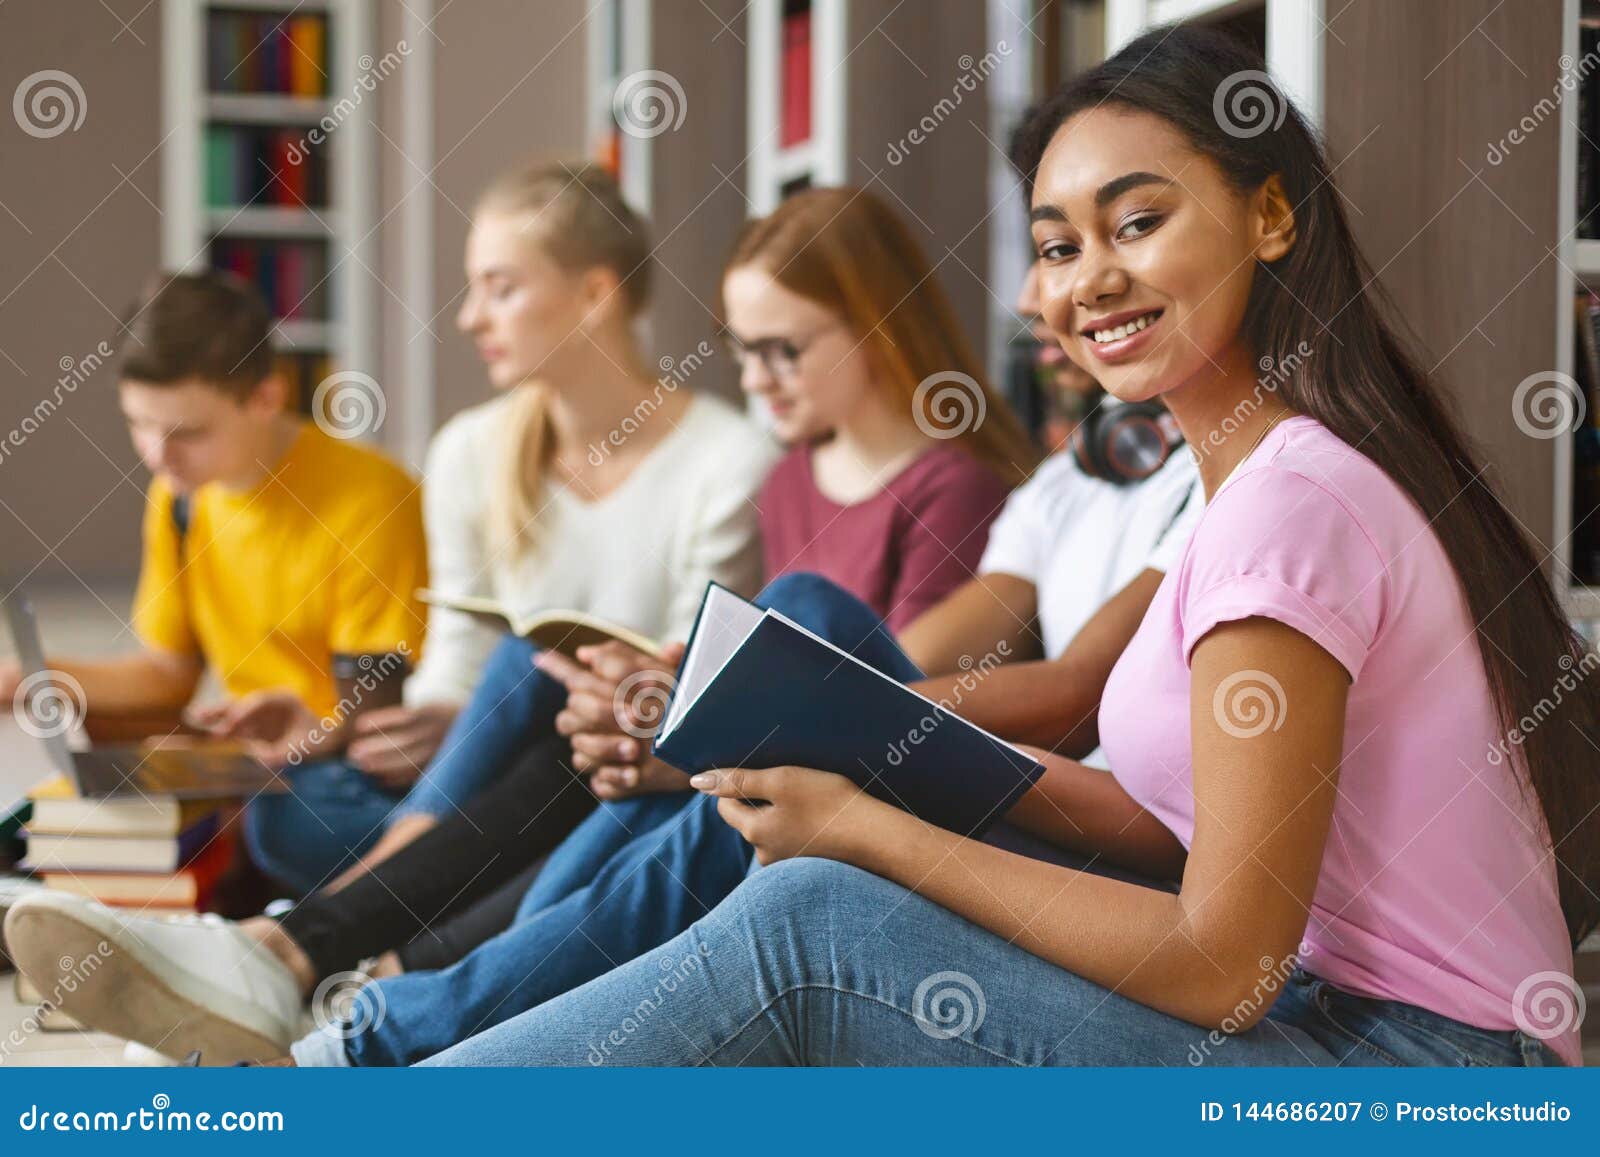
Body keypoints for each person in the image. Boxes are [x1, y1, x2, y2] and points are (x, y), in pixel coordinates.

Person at [411, 25, 1599, 1067]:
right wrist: (868, 757)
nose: (1090, 279)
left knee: (815, 923)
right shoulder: (1248, 486)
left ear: (1271, 214)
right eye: (1057, 243)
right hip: (1342, 1026)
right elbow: (1161, 828)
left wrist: (867, 828)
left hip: (1422, 1069)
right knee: (817, 894)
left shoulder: (1289, 505)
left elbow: (1221, 963)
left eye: (1136, 221)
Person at [7, 186, 1058, 1064]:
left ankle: (318, 964)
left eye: (782, 347)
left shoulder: (909, 483)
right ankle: (318, 964)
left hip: (791, 780)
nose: (753, 374)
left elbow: (895, 703)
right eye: (742, 349)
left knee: (626, 695)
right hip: (550, 763)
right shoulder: (788, 478)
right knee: (490, 711)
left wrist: (652, 698)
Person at [228, 161, 780, 893]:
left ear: (592, 296)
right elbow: (458, 662)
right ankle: (422, 888)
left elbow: (684, 692)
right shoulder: (468, 451)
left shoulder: (730, 461)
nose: (469, 318)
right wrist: (402, 729)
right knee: (287, 813)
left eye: (501, 288)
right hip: (484, 777)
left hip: (615, 773)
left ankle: (351, 907)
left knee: (536, 682)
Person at [0, 269, 430, 893]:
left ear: (265, 397)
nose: (157, 456)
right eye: (139, 424)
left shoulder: (370, 500)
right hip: (245, 764)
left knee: (296, 822)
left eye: (187, 433)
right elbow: (167, 674)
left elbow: (372, 728)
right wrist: (26, 680)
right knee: (36, 819)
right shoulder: (180, 499)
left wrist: (270, 754)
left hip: (341, 764)